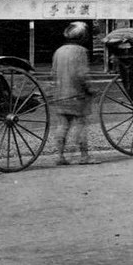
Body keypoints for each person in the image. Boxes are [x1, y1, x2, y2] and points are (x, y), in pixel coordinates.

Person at [51, 21, 97, 164]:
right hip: (76, 94)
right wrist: (90, 88)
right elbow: (82, 74)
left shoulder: (59, 51)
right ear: (82, 36)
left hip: (60, 94)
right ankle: (84, 156)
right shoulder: (81, 52)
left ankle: (60, 156)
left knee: (62, 125)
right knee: (80, 124)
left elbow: (53, 72)